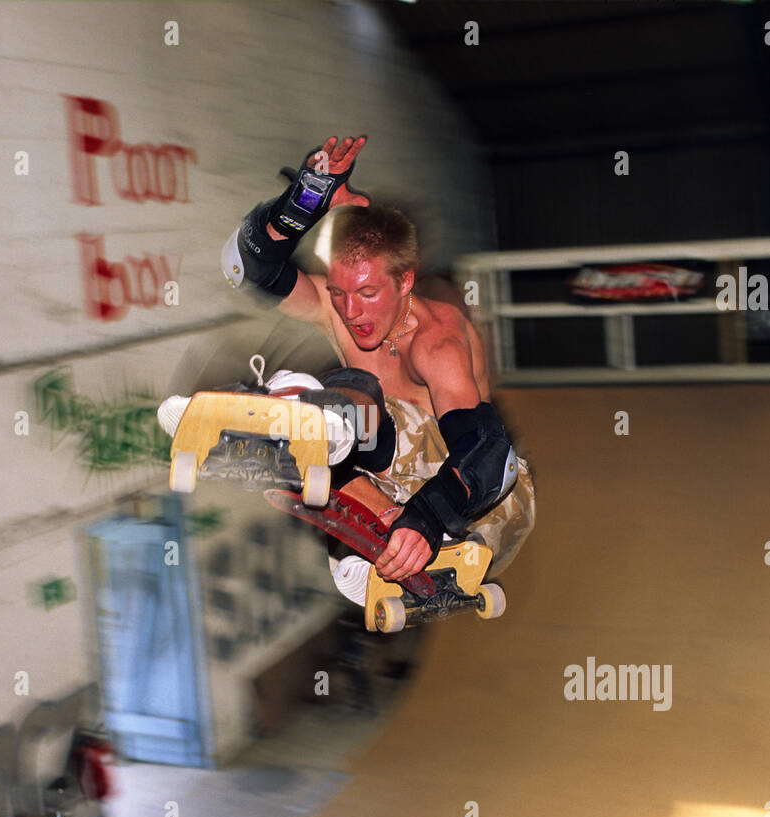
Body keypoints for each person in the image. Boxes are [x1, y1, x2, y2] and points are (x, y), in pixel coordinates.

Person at [173, 135, 536, 605]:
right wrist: (302, 201)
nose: (351, 312)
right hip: (400, 489)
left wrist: (428, 519)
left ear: (405, 281)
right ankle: (331, 453)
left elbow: (489, 457)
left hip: (484, 500)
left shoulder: (437, 340)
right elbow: (247, 267)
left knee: (362, 396)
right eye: (341, 294)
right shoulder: (335, 304)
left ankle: (329, 426)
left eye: (367, 294)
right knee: (315, 447)